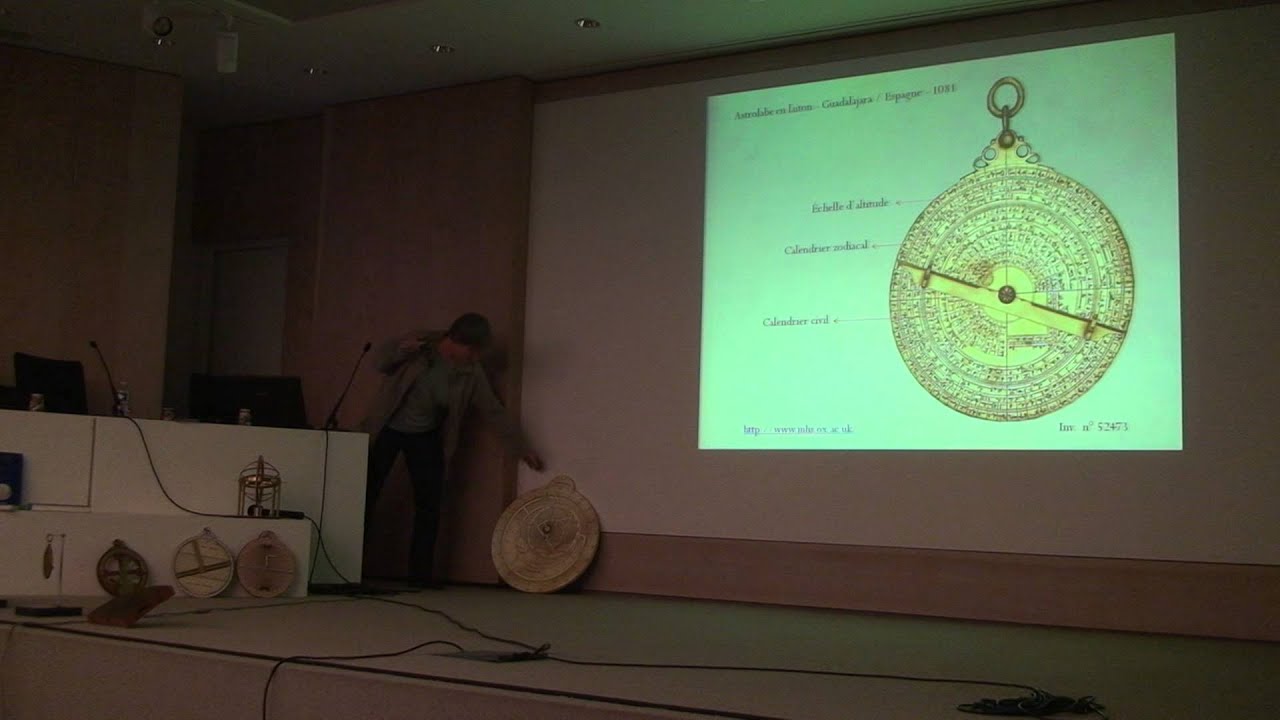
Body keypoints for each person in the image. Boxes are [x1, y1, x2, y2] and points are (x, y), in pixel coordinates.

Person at [360, 312, 543, 586]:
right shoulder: (419, 346)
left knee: (429, 504)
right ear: (455, 341)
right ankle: (349, 567)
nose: (475, 357)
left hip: (425, 435)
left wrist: (521, 446)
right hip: (388, 428)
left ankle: (420, 576)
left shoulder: (470, 372)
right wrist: (401, 351)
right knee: (366, 495)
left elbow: (493, 410)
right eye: (472, 350)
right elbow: (380, 363)